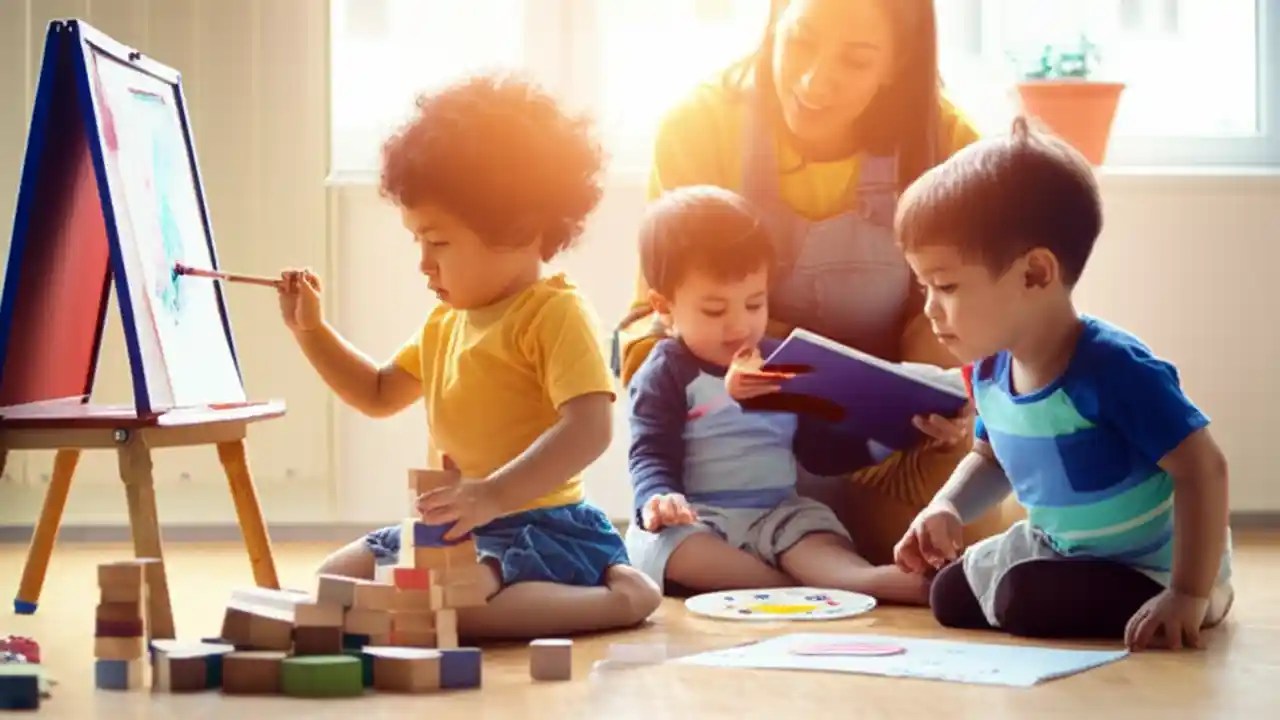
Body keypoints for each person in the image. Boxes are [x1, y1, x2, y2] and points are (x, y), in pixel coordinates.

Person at [615, 0, 1022, 566]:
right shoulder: (702, 126)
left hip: (872, 447)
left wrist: (946, 404)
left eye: (855, 61)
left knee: (957, 533)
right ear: (773, 21)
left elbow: (963, 323)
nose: (814, 81)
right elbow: (650, 321)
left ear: (897, 61)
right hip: (730, 436)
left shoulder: (945, 144)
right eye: (801, 41)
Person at [276, 73, 661, 639]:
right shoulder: (446, 320)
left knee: (450, 612)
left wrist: (493, 495)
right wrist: (311, 331)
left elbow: (590, 430)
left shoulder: (553, 313)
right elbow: (379, 393)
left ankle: (620, 599)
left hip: (537, 523)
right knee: (330, 584)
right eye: (418, 242)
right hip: (458, 525)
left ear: (521, 227)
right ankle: (497, 593)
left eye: (439, 242)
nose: (424, 264)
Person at [891, 117, 1234, 651]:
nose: (931, 309)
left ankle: (1206, 594)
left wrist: (1190, 593)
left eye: (946, 286)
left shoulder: (1113, 368)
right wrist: (947, 507)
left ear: (1034, 274)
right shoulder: (988, 368)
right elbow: (991, 457)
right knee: (949, 595)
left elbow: (1204, 468)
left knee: (1026, 600)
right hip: (1063, 550)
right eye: (924, 288)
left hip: (1152, 566)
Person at [625, 185, 929, 604]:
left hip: (780, 513)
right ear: (663, 306)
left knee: (818, 539)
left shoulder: (781, 362)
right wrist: (659, 497)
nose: (738, 326)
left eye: (754, 304)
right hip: (700, 516)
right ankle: (791, 588)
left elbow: (820, 454)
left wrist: (893, 434)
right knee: (670, 549)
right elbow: (649, 451)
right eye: (715, 311)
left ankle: (868, 581)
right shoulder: (666, 371)